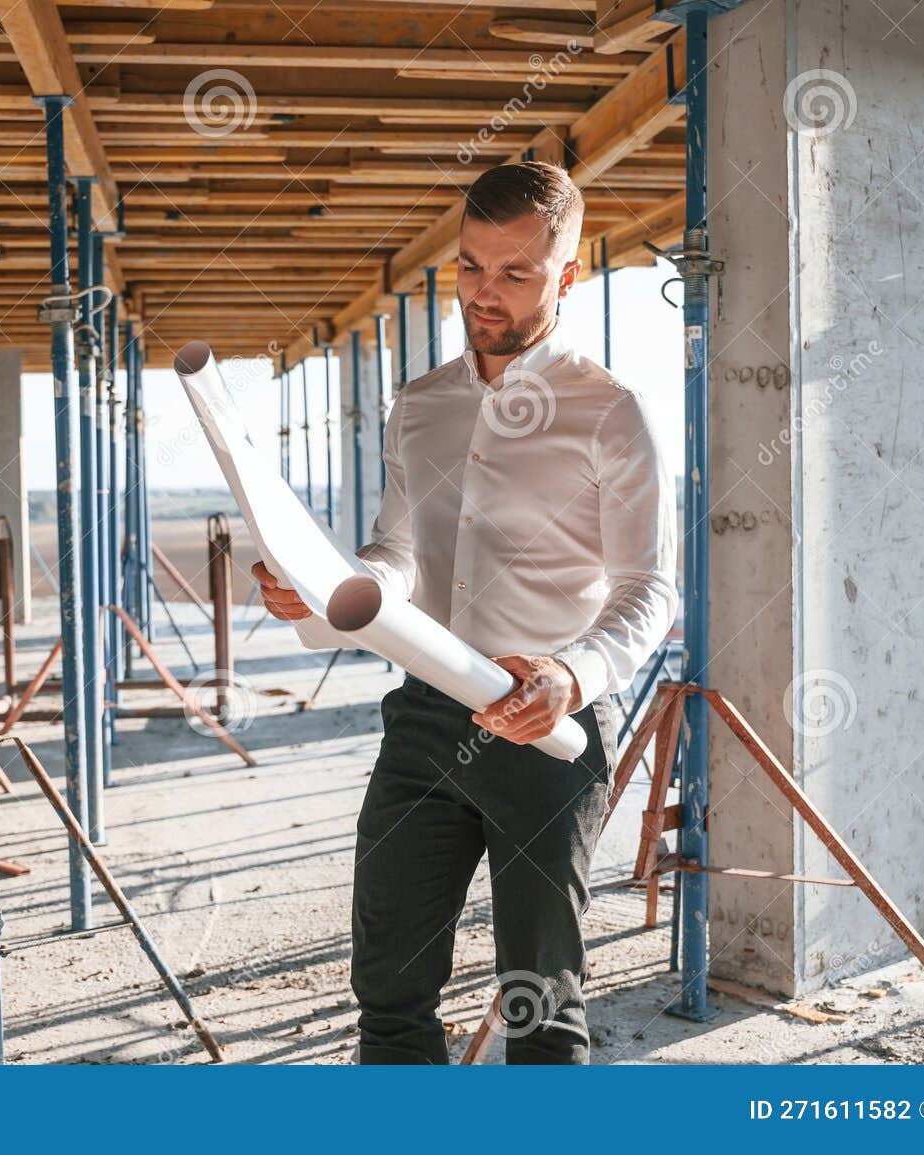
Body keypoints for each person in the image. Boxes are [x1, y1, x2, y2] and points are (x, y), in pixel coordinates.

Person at [252, 161, 678, 1063]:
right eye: (472, 266)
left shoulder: (610, 413)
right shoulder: (421, 405)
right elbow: (400, 557)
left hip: (548, 731)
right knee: (389, 987)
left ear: (567, 277)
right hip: (427, 718)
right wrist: (327, 589)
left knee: (541, 1008)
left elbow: (650, 587)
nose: (486, 293)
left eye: (515, 273)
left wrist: (573, 673)